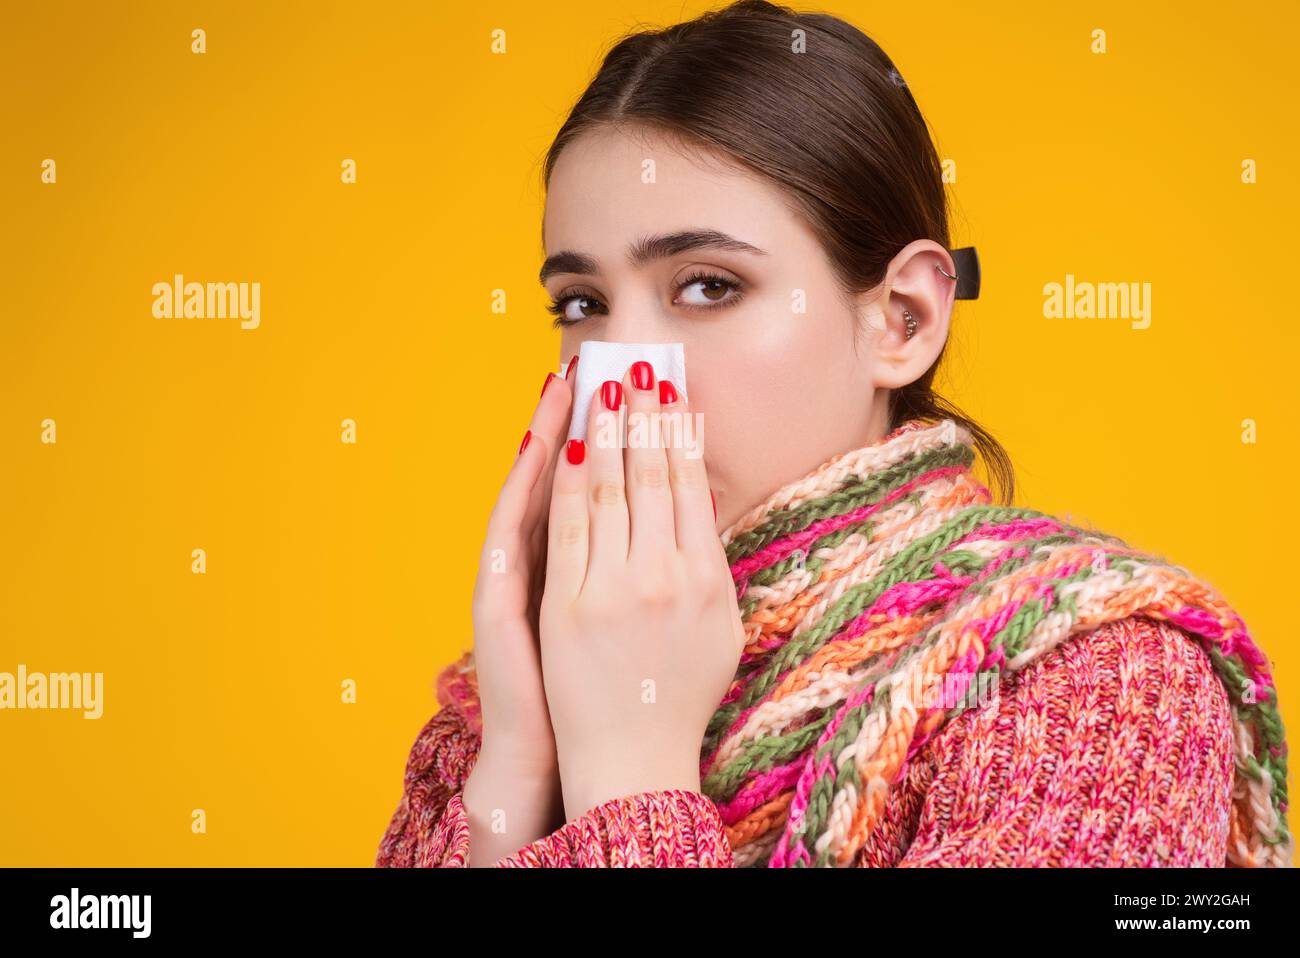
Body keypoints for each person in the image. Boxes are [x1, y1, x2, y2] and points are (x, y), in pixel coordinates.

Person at [376, 0, 1290, 867]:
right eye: (584, 304)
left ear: (902, 320)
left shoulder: (1101, 681)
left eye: (708, 286)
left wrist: (626, 773)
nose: (624, 377)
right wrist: (516, 776)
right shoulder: (521, 692)